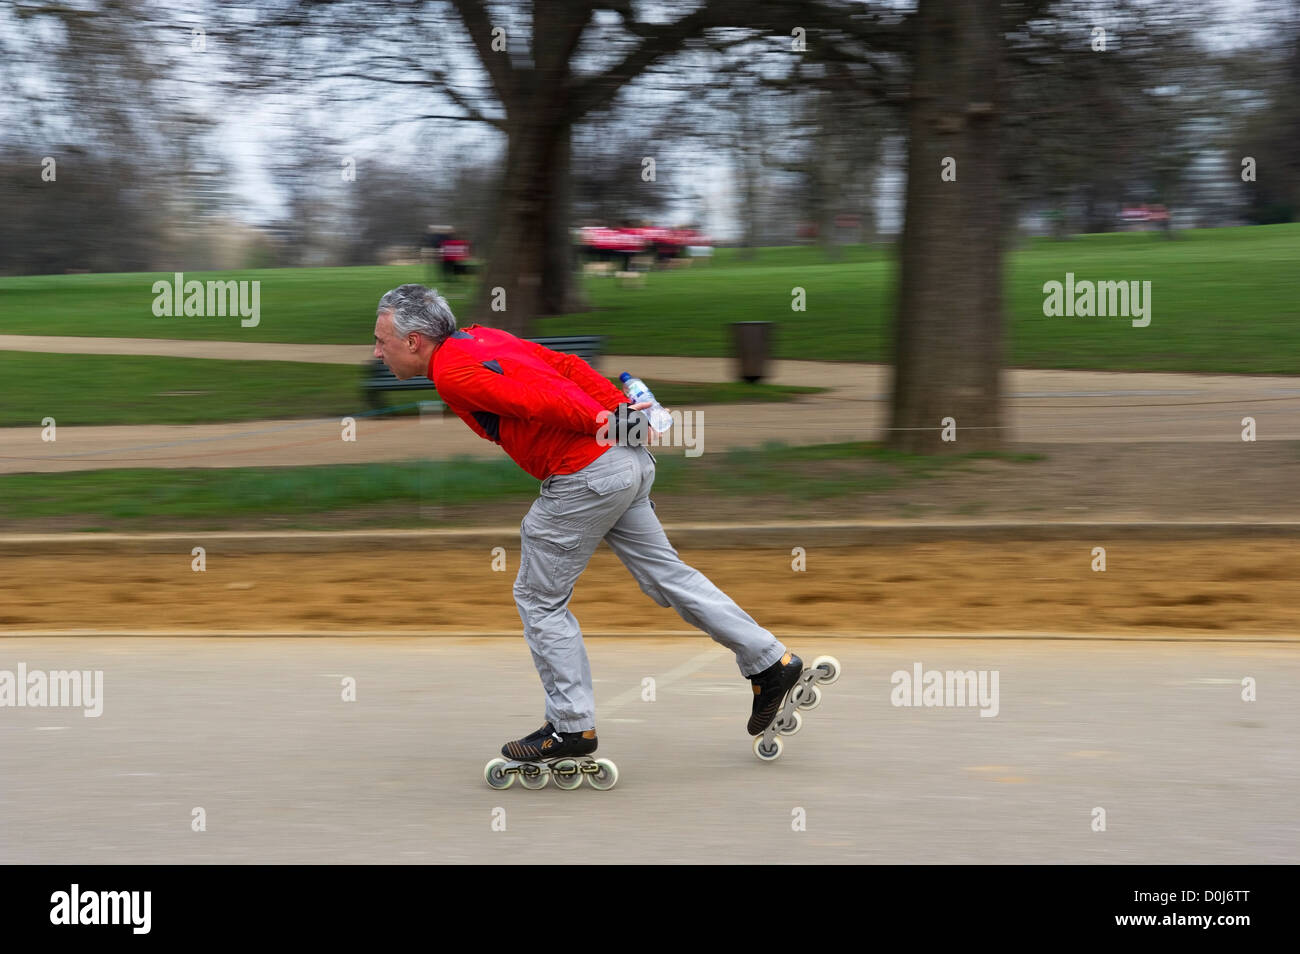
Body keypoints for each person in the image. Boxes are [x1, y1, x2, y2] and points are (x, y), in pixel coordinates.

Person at [372, 284, 803, 761]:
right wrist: (619, 412)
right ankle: (770, 663)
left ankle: (570, 728)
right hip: (625, 465)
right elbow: (568, 368)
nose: (377, 351)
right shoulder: (481, 336)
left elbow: (539, 399)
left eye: (381, 340)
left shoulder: (451, 371)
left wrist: (606, 419)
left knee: (538, 599)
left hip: (588, 474)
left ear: (413, 341)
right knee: (667, 575)